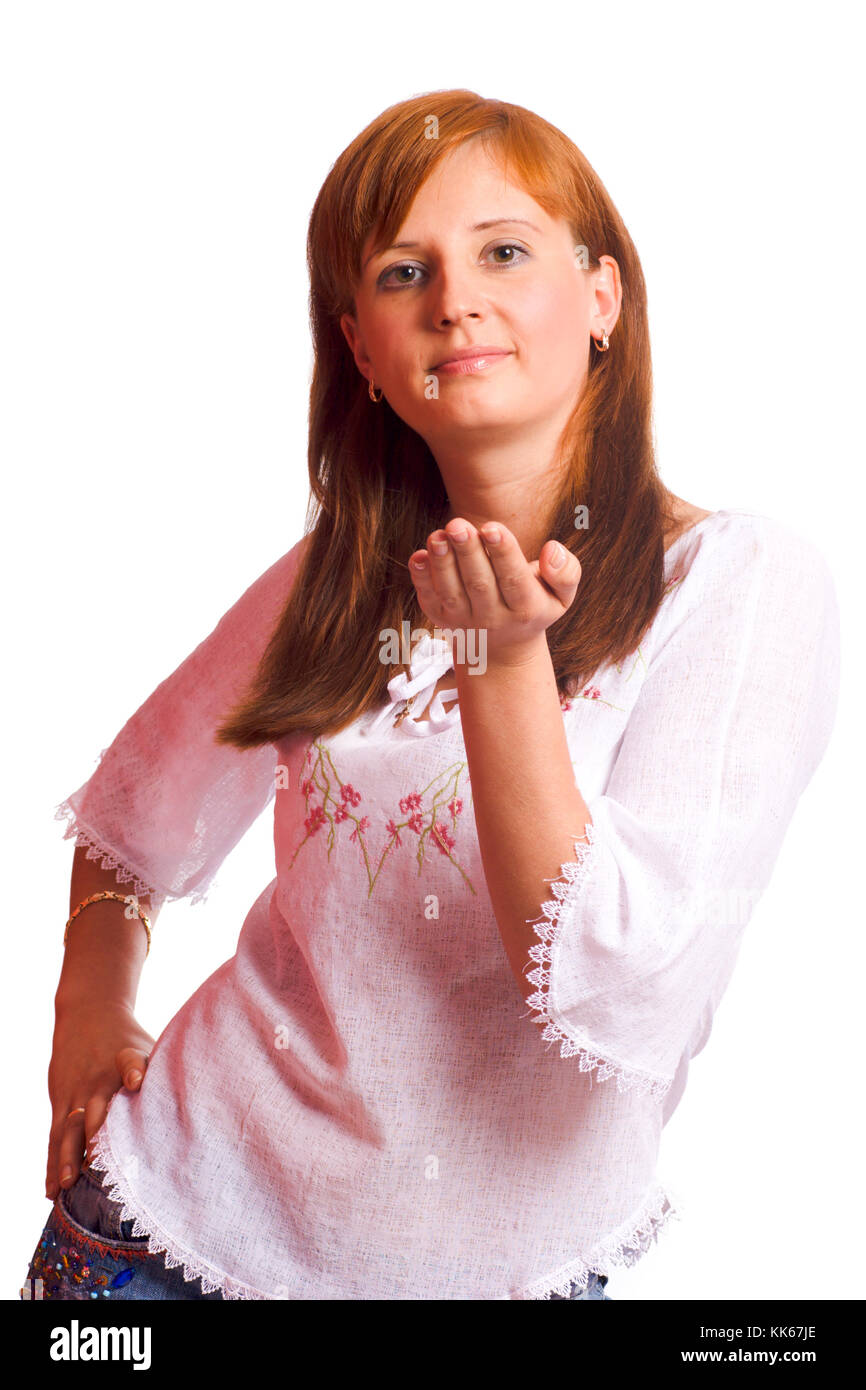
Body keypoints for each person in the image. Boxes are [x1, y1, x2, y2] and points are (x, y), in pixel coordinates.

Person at [23, 88, 840, 1302]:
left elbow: (617, 989)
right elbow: (133, 817)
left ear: (600, 296)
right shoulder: (334, 578)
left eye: (502, 251)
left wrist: (499, 668)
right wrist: (86, 1014)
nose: (455, 299)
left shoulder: (735, 586)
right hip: (160, 1239)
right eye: (403, 272)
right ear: (361, 348)